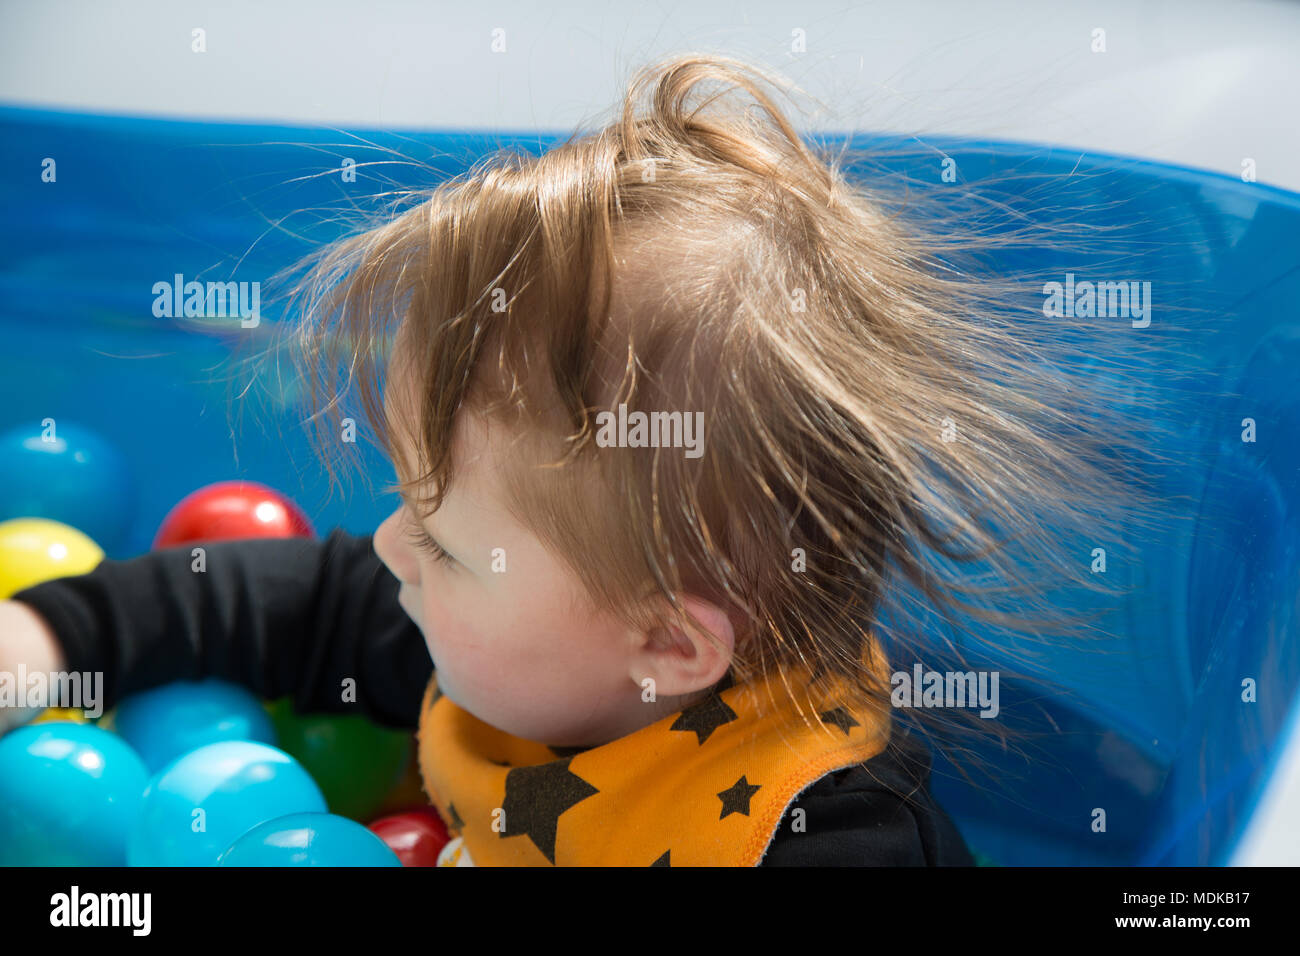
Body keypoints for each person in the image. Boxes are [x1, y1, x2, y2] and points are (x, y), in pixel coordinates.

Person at [1, 52, 1153, 866]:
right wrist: (57, 634)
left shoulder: (817, 838)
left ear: (663, 643)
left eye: (443, 538)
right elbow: (283, 597)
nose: (393, 546)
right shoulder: (528, 629)